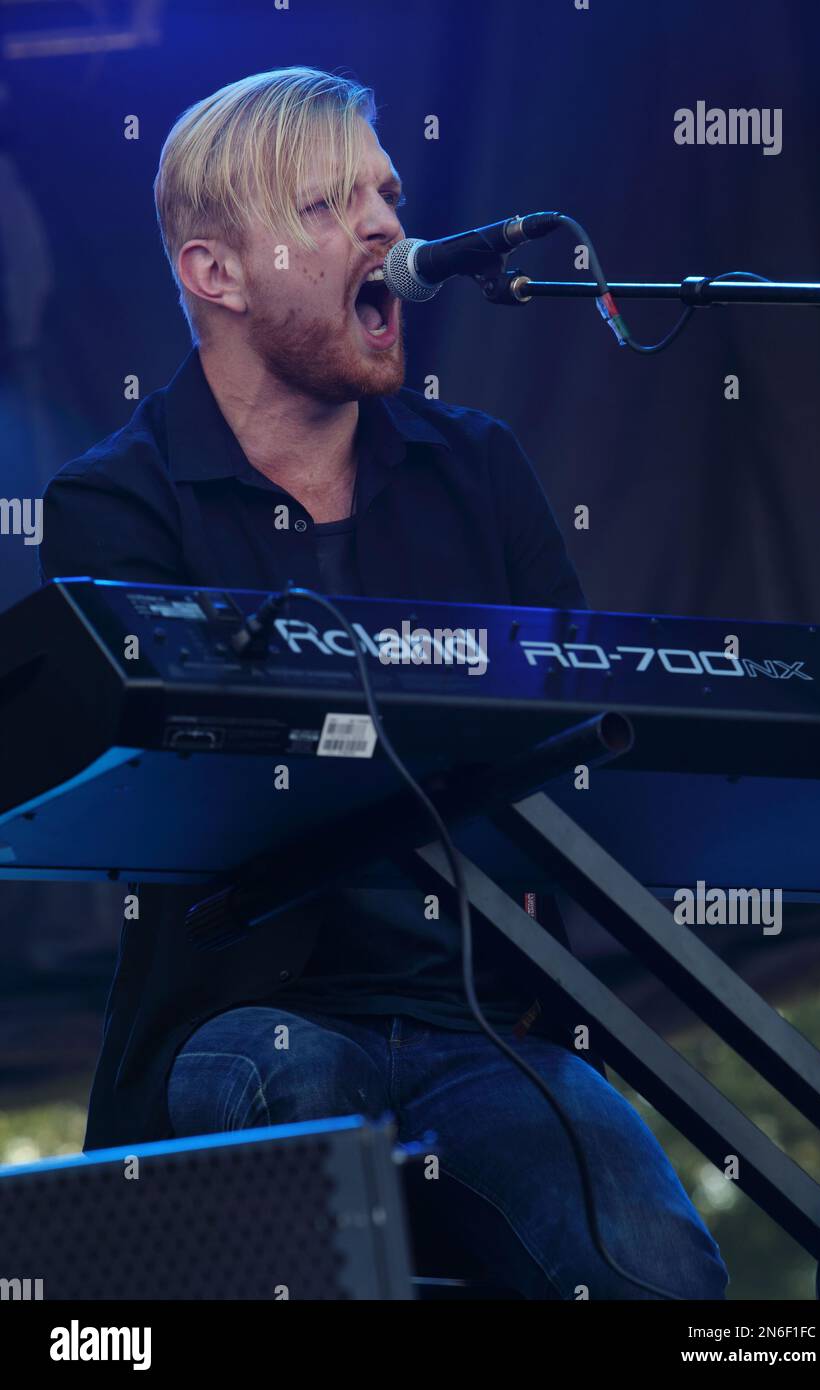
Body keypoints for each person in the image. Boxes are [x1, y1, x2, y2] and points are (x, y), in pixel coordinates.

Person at [39, 66, 728, 1300]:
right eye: (325, 204)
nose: (386, 230)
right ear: (216, 275)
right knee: (298, 1106)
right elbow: (171, 796)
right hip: (248, 1016)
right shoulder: (115, 504)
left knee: (657, 1263)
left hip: (482, 1028)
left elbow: (570, 743)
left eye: (386, 195)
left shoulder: (479, 471)